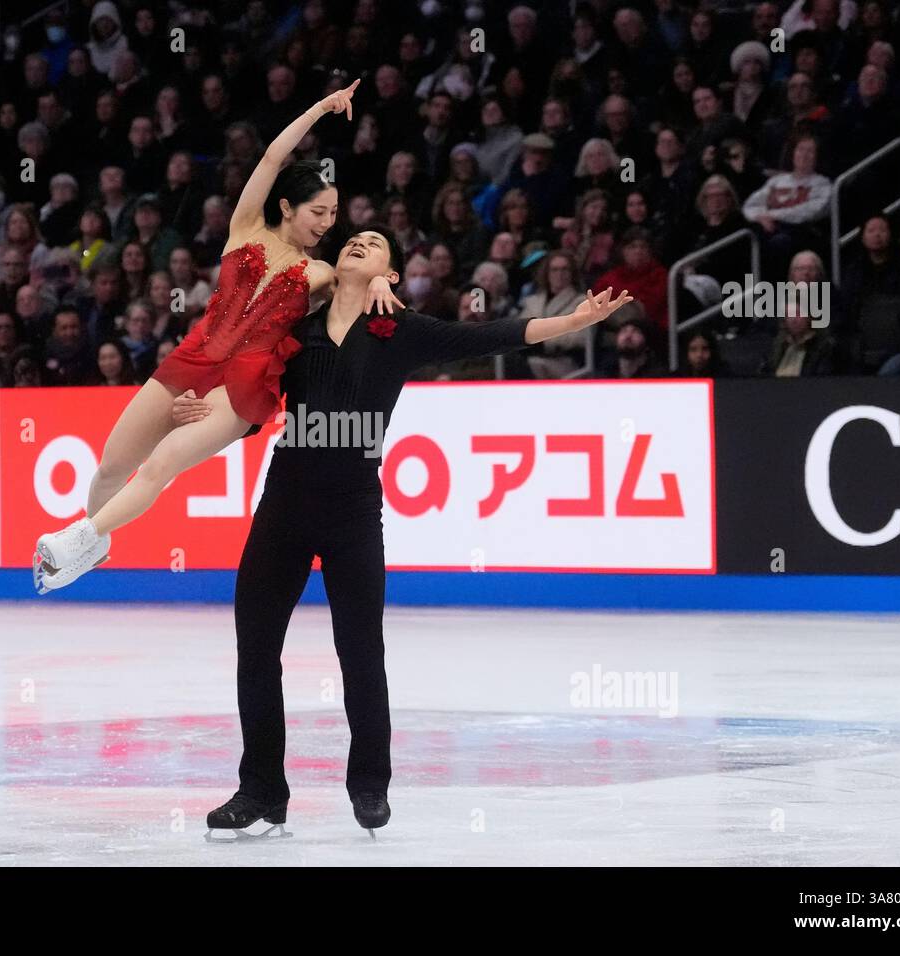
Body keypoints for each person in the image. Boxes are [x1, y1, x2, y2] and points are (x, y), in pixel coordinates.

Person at [171, 224, 630, 836]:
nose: (358, 243)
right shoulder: (294, 326)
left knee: (361, 652)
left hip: (353, 512)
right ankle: (261, 790)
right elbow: (243, 387)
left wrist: (573, 322)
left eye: (375, 244)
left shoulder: (400, 331)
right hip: (283, 505)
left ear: (390, 274)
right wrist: (193, 406)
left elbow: (491, 335)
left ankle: (369, 785)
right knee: (255, 650)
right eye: (352, 239)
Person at [33, 80, 402, 591]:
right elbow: (273, 156)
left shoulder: (319, 272)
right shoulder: (246, 226)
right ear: (289, 206)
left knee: (162, 463)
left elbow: (357, 281)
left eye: (335, 216)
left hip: (245, 383)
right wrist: (321, 107)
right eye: (320, 211)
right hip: (193, 358)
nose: (327, 223)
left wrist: (381, 277)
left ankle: (77, 537)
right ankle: (94, 546)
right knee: (112, 466)